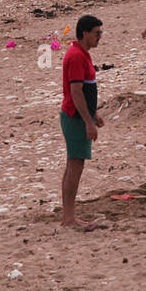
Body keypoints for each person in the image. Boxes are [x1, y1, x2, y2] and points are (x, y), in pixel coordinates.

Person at [60, 14, 104, 231]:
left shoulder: (82, 53)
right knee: (75, 166)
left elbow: (86, 90)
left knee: (73, 164)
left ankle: (67, 215)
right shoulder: (77, 56)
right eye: (97, 33)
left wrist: (94, 114)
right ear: (85, 33)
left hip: (76, 115)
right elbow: (76, 92)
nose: (100, 37)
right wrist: (88, 122)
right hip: (75, 118)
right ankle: (69, 218)